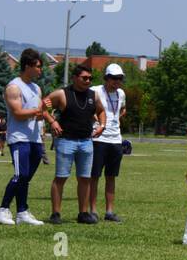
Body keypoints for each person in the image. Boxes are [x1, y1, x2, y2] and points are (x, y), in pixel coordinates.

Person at [0, 49, 52, 226]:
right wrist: (39, 110)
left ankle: (22, 212)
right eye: (38, 66)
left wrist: (46, 113)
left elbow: (37, 115)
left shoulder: (36, 88)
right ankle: (3, 210)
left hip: (34, 138)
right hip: (19, 138)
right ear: (27, 66)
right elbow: (18, 113)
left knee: (26, 177)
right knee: (20, 175)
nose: (41, 70)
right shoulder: (14, 87)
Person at [45, 66, 106, 225]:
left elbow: (101, 111)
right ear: (74, 78)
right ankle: (56, 214)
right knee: (61, 177)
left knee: (85, 179)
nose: (88, 81)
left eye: (90, 78)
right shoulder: (61, 94)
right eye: (84, 78)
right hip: (66, 141)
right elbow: (43, 106)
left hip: (86, 142)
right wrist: (53, 121)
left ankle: (83, 213)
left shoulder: (94, 95)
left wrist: (102, 125)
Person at [87, 64, 127, 221]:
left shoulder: (121, 94)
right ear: (106, 78)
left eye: (120, 78)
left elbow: (123, 109)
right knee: (94, 176)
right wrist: (95, 120)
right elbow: (87, 108)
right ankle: (93, 210)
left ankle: (109, 211)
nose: (117, 81)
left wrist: (115, 120)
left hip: (116, 140)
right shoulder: (96, 91)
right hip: (99, 139)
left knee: (111, 176)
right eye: (114, 78)